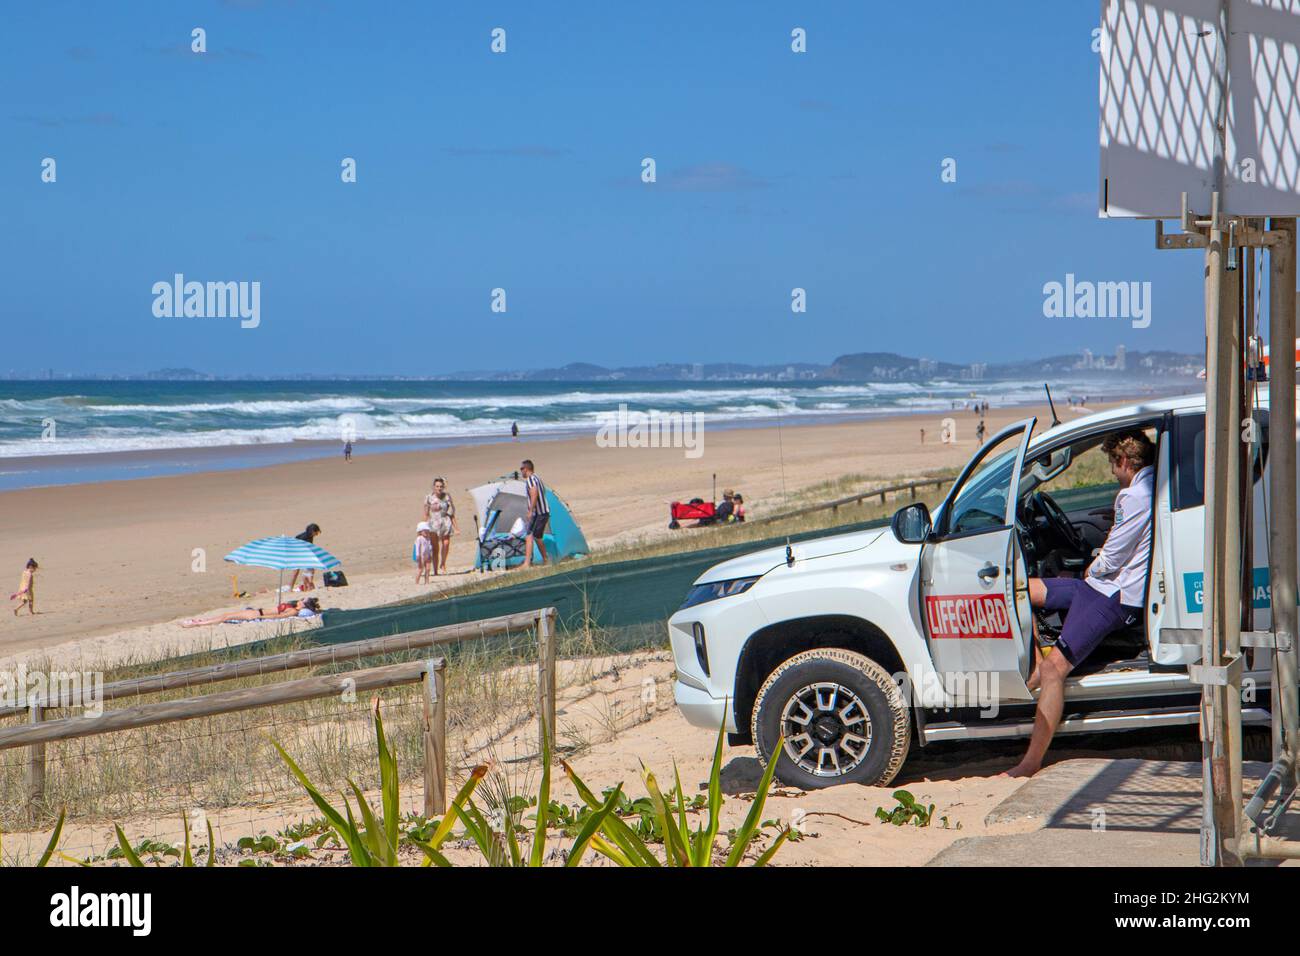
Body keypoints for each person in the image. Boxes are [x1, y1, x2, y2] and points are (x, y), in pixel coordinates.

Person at [1004, 430, 1156, 778]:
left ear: (1123, 461)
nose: (1112, 473)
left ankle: (1030, 762)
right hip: (1101, 587)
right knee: (1023, 589)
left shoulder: (1135, 496)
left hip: (1111, 595)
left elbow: (1114, 556)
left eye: (1112, 465)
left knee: (1056, 669)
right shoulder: (1145, 489)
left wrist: (1094, 563)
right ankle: (1033, 668)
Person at [183, 597, 321, 628]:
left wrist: (260, 616)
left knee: (226, 616)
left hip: (256, 614)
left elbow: (278, 616)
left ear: (304, 606)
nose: (301, 599)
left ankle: (199, 624)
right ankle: (202, 621)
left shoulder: (292, 611)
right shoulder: (291, 605)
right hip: (256, 612)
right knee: (226, 615)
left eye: (304, 601)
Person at [422, 477, 459, 575]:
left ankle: (443, 563)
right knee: (435, 548)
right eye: (437, 486)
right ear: (434, 487)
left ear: (443, 487)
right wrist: (423, 527)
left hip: (445, 522)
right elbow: (426, 514)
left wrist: (456, 527)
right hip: (433, 523)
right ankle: (435, 570)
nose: (439, 488)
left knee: (446, 544)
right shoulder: (429, 497)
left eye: (441, 486)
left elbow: (451, 512)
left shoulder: (447, 496)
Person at [521, 459, 549, 568]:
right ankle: (543, 560)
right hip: (542, 512)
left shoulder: (531, 480)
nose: (521, 471)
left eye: (522, 469)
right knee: (534, 536)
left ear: (527, 469)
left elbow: (534, 494)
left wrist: (530, 510)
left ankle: (529, 563)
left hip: (539, 513)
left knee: (532, 536)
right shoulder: (537, 478)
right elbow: (543, 492)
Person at [288, 523, 322, 592]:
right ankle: (291, 588)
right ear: (312, 531)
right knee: (296, 572)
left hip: (302, 553)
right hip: (296, 553)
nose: (316, 535)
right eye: (316, 533)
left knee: (307, 570)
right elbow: (296, 544)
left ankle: (308, 587)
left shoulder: (309, 535)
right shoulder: (304, 536)